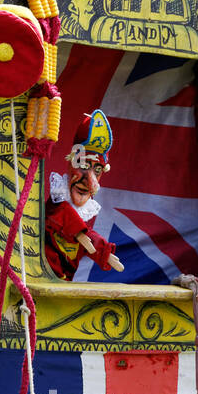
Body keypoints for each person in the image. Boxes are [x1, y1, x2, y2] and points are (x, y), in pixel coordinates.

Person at [44, 110, 124, 280]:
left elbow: (87, 238)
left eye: (97, 170)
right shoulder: (58, 204)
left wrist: (101, 251)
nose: (90, 182)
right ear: (71, 162)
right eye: (82, 165)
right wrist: (83, 236)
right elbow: (60, 214)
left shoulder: (81, 216)